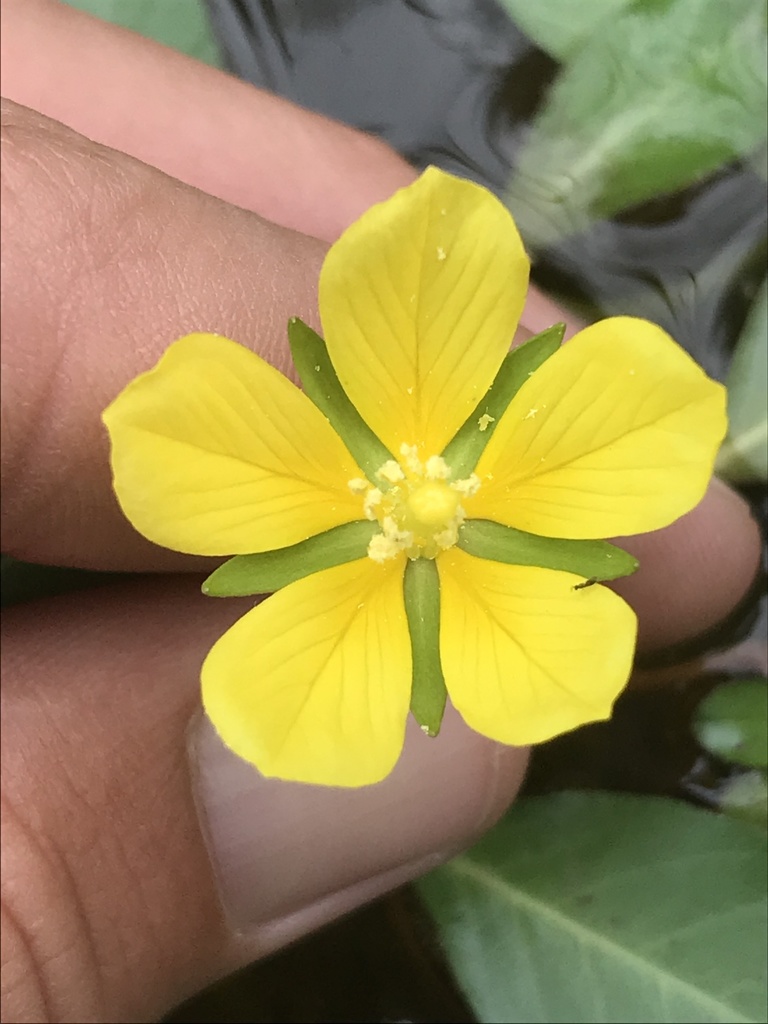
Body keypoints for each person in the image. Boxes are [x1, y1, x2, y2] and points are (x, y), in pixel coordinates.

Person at [0, 2, 761, 1021]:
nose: (430, 497)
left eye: (431, 494)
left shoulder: (569, 459)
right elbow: (179, 436)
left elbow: (645, 424)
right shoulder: (196, 436)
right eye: (421, 492)